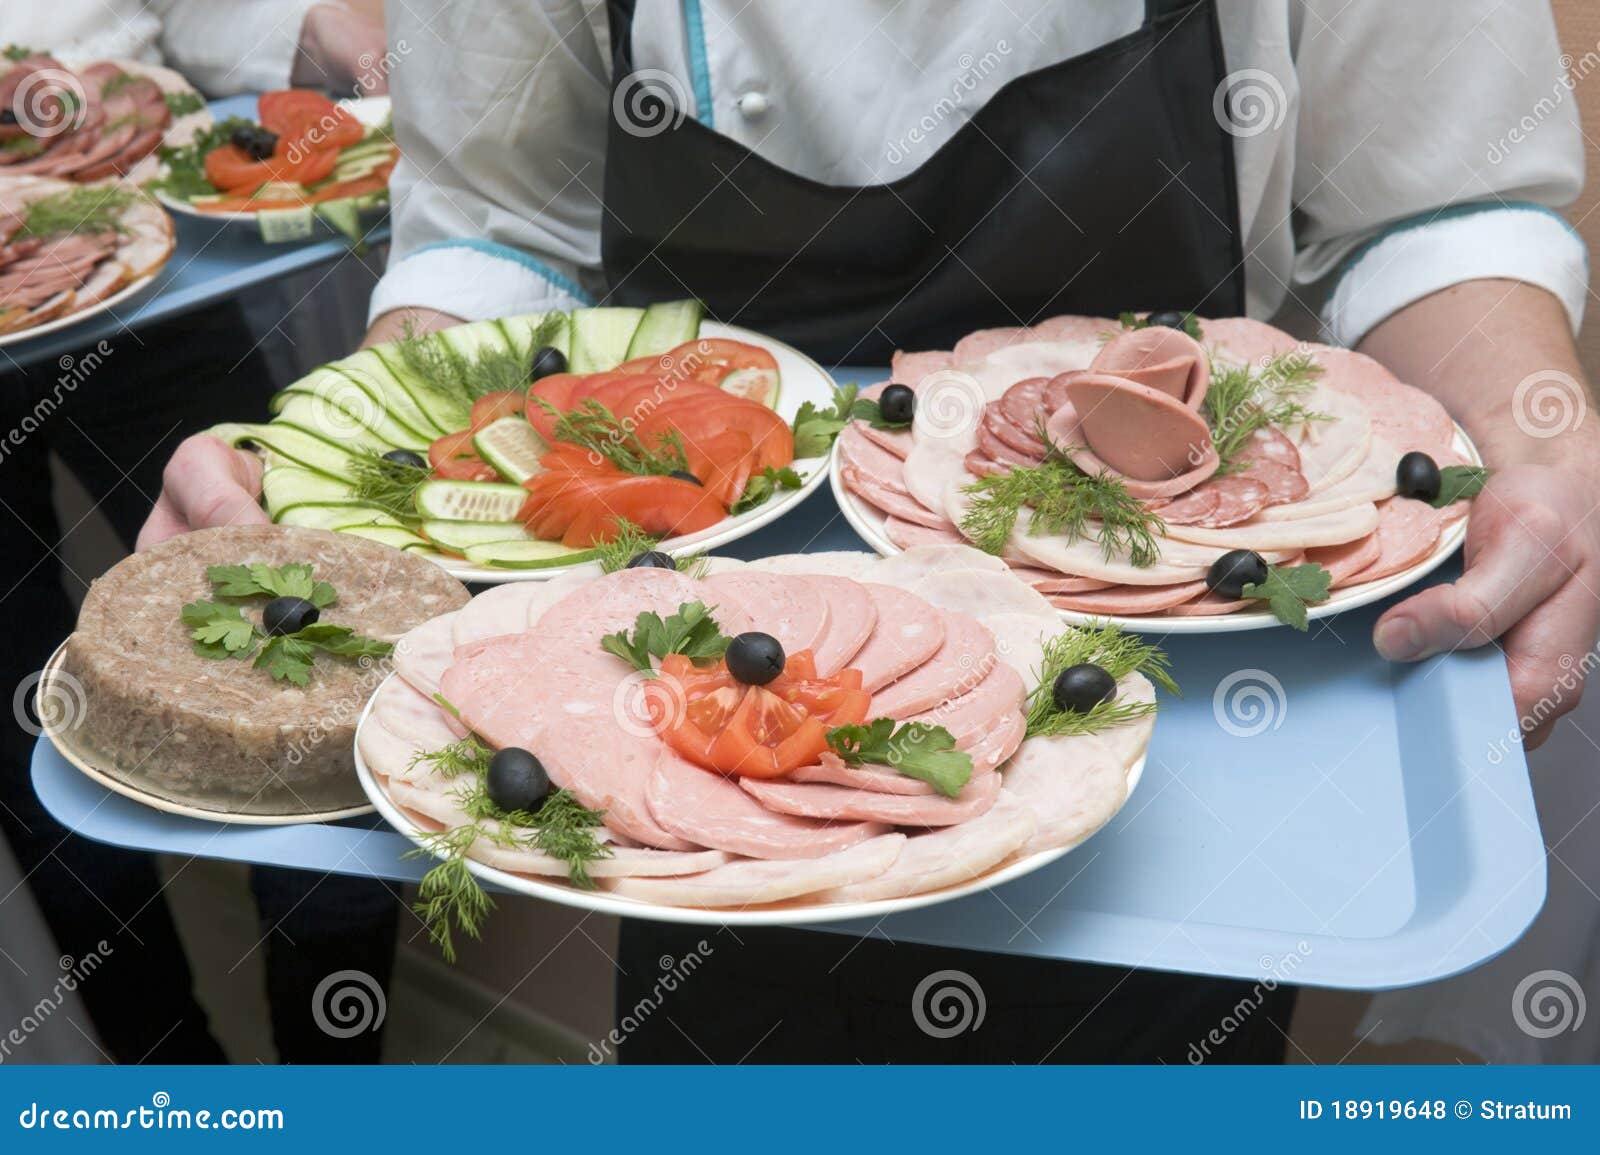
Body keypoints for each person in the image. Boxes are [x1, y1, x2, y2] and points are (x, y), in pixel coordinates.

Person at [138, 0, 1600, 1062]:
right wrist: (367, 471)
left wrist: (1537, 434)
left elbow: (1437, 205)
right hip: (690, 704)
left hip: (1205, 707)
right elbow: (496, 228)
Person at [1, 1, 395, 1063]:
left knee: (311, 665)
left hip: (142, 258)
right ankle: (178, 1098)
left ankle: (334, 1106)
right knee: (39, 753)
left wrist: (322, 30)